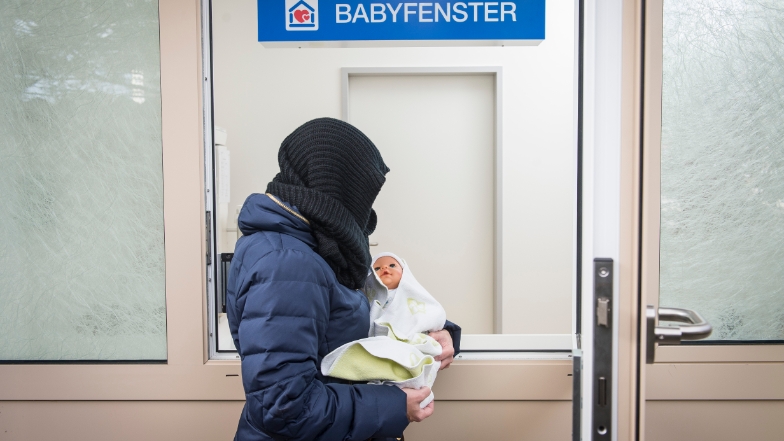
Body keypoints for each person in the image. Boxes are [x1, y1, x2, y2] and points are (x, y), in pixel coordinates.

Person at [226, 118, 459, 441]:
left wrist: (439, 335)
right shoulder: (287, 261)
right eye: (362, 193)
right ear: (337, 184)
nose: (365, 210)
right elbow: (283, 407)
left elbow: (360, 323)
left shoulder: (315, 249)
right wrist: (394, 407)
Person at [321, 253, 456, 409]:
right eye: (377, 268)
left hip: (411, 346)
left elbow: (428, 316)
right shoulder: (368, 301)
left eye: (392, 265)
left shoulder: (415, 299)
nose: (385, 268)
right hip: (379, 355)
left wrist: (446, 332)